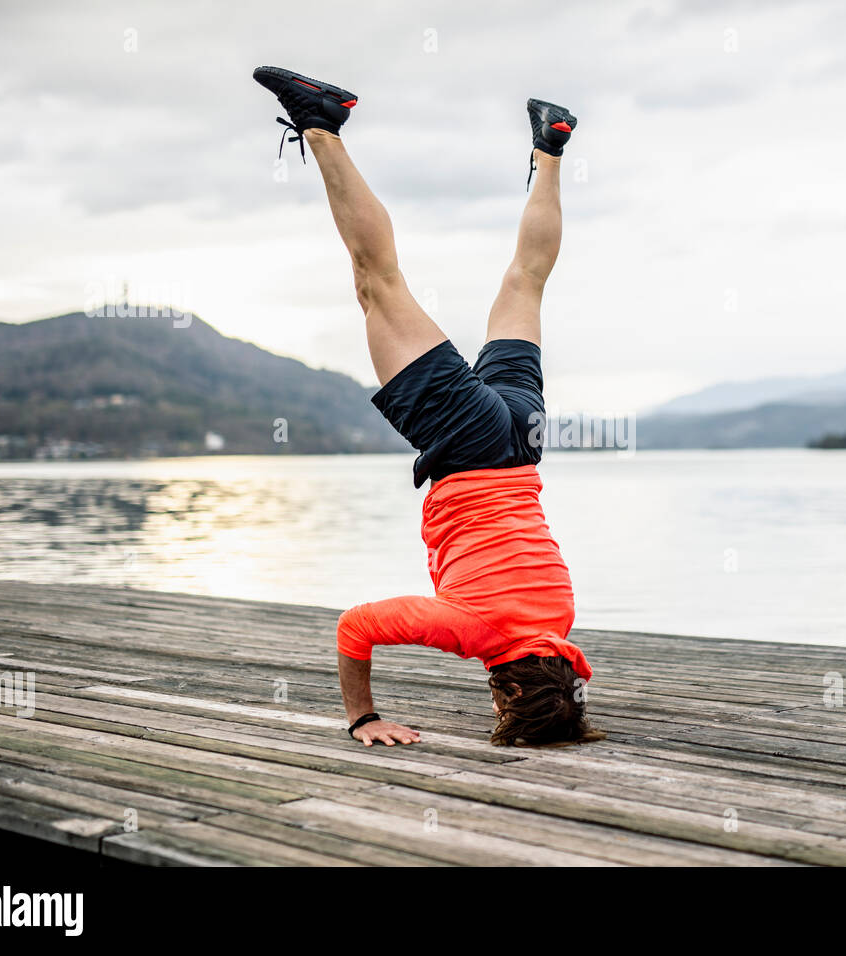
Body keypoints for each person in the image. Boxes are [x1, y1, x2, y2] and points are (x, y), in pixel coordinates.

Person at [253, 66, 604, 749]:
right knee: (376, 280)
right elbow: (354, 627)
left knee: (526, 281)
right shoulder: (474, 633)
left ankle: (550, 147)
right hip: (466, 444)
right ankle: (321, 123)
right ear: (504, 690)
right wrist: (363, 717)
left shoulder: (559, 620)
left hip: (522, 438)